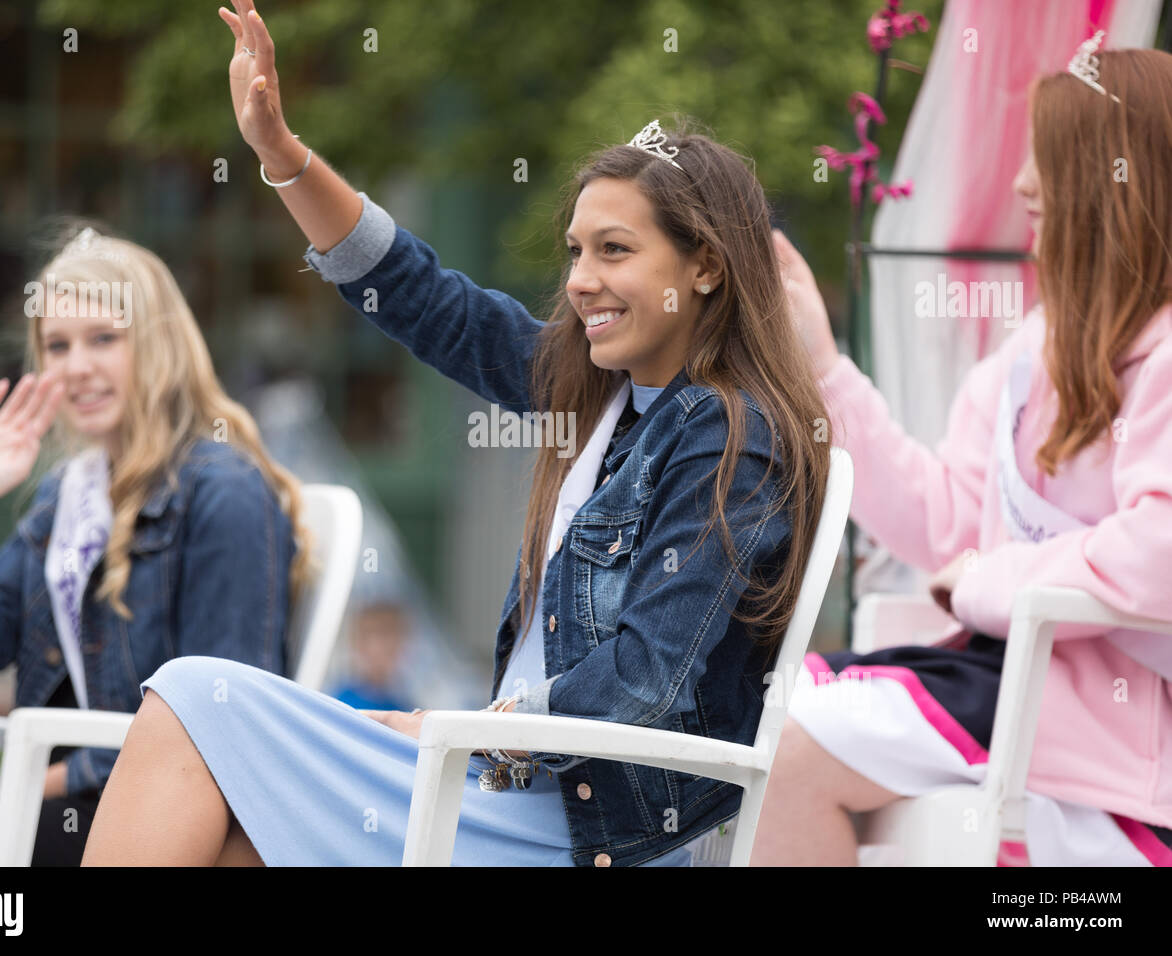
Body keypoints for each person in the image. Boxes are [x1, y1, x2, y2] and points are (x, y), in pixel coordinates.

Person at [79, 0, 829, 868]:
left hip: (579, 824)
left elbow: (647, 681)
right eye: (576, 251)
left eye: (615, 251)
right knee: (232, 834)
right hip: (491, 784)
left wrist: (456, 729)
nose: (581, 280)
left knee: (190, 694)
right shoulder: (601, 395)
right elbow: (424, 298)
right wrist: (283, 159)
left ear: (704, 266)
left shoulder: (734, 439)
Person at [754, 40, 1172, 867]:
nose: (1022, 187)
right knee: (762, 726)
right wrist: (824, 368)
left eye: (1045, 162)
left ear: (1110, 180)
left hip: (1109, 723)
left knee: (789, 759)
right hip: (1009, 687)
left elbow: (1159, 552)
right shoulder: (1030, 355)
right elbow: (948, 527)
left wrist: (992, 584)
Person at [0, 224, 310, 866]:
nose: (77, 366)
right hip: (65, 802)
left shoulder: (224, 492)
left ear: (157, 345)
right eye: (57, 345)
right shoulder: (66, 496)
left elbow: (221, 722)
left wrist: (32, 782)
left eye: (104, 339)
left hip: (158, 816)